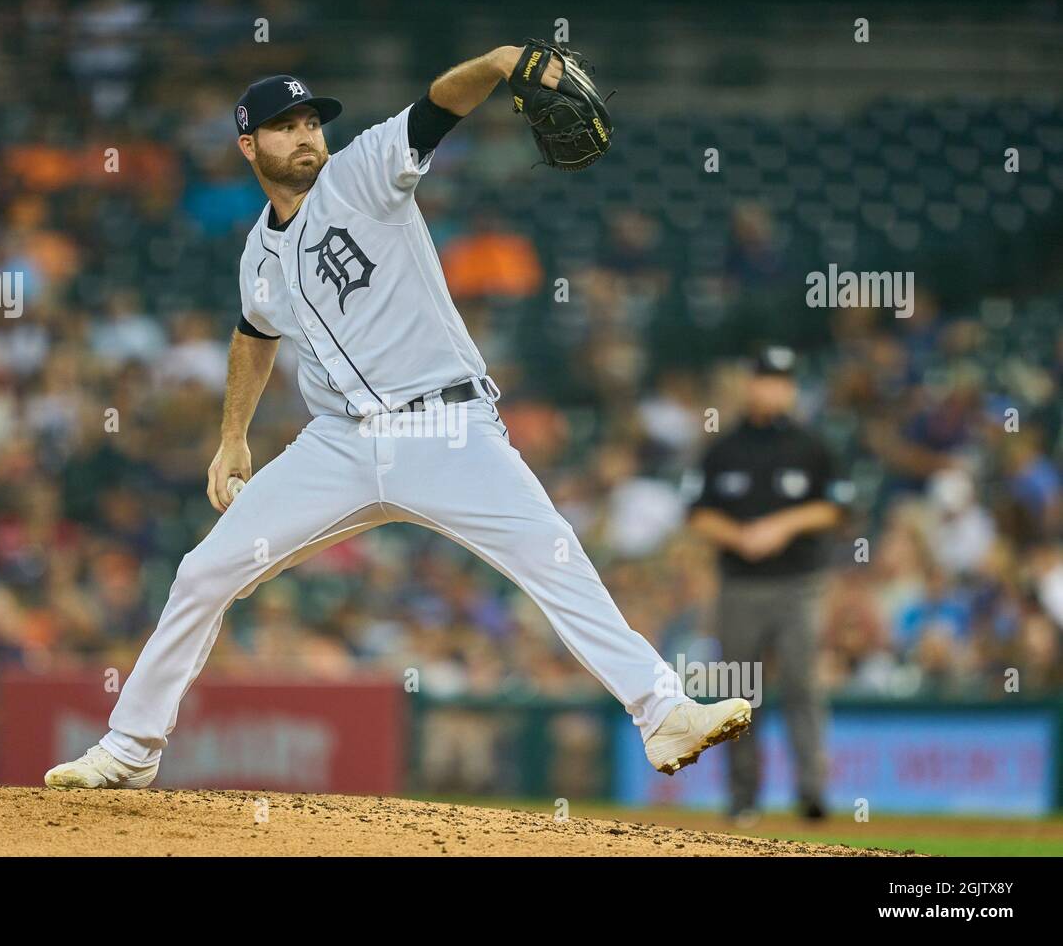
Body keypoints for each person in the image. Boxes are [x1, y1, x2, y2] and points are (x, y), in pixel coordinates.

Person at [46, 48, 750, 789]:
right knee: (203, 572)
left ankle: (662, 711)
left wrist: (504, 62)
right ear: (249, 146)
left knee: (553, 558)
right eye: (285, 126)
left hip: (445, 428)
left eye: (312, 120)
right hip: (339, 444)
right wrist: (231, 437)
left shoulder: (363, 171)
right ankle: (132, 749)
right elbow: (254, 335)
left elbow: (440, 103)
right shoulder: (258, 250)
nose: (307, 135)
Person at [688, 346, 849, 824]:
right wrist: (739, 534)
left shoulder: (813, 445)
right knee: (741, 692)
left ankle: (812, 794)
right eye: (763, 379)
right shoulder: (723, 447)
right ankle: (743, 799)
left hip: (800, 585)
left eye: (780, 381)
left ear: (791, 388)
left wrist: (781, 525)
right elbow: (697, 514)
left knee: (803, 686)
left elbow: (835, 507)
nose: (770, 388)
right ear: (749, 384)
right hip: (740, 586)